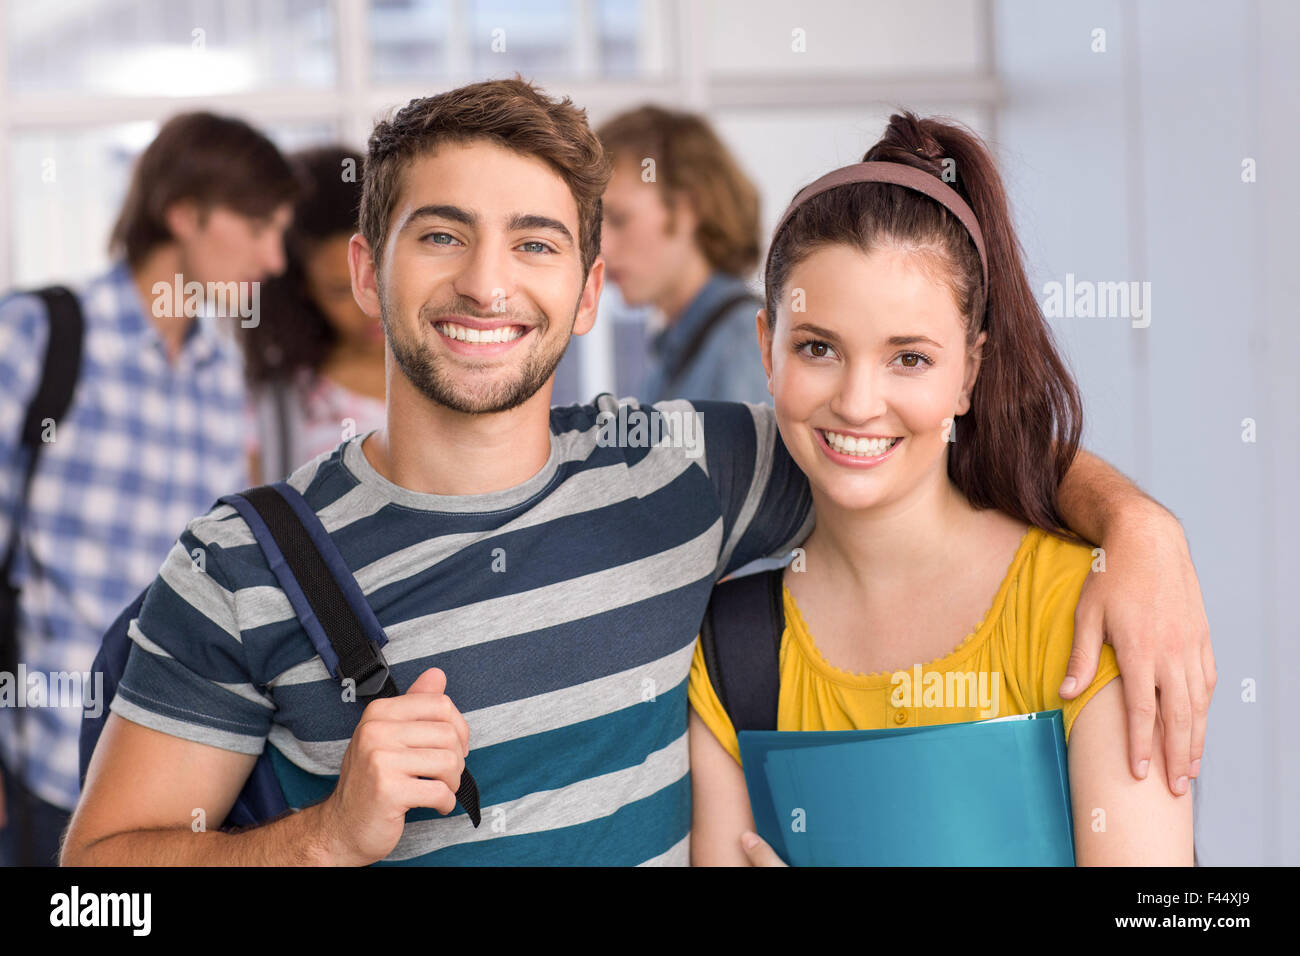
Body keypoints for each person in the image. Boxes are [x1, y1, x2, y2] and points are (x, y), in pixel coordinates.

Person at [62, 78, 1211, 867]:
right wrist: (324, 837)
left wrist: (1141, 531)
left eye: (536, 241)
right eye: (440, 233)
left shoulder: (683, 472)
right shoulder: (238, 561)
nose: (486, 283)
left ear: (587, 289)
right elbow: (94, 894)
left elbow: (902, 437)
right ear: (367, 268)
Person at [688, 113, 1198, 866]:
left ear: (969, 370)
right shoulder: (731, 651)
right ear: (768, 347)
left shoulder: (1084, 609)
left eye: (910, 359)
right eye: (818, 347)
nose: (859, 402)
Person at [0, 111, 295, 866]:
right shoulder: (38, 336)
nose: (273, 257)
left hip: (175, 781)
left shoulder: (221, 375)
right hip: (43, 771)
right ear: (185, 213)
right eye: (258, 226)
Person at [597, 105, 770, 405]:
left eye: (619, 218)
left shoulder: (740, 348)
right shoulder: (679, 349)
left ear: (688, 208)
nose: (601, 248)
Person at [241, 146, 387, 484]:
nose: (370, 303)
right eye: (339, 290)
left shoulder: (468, 374)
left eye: (384, 276)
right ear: (303, 290)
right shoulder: (275, 408)